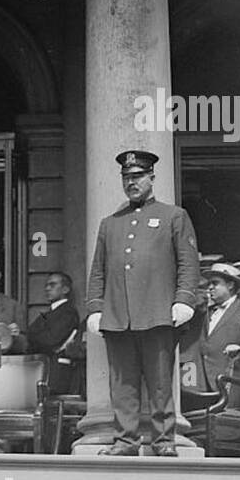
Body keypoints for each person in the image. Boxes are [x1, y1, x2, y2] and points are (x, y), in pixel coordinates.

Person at [84, 150, 199, 456]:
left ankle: (164, 442)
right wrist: (95, 307)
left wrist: (184, 299)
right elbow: (98, 269)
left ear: (152, 177)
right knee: (122, 386)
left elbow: (188, 263)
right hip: (118, 315)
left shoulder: (173, 216)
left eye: (137, 176)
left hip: (158, 313)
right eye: (126, 177)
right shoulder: (110, 224)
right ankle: (125, 442)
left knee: (161, 384)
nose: (131, 183)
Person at [188, 262, 240, 400]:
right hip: (198, 381)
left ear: (230, 285)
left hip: (228, 381)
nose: (210, 287)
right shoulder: (204, 311)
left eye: (215, 283)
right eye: (209, 284)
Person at [26, 271, 82, 396]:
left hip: (56, 373)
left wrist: (33, 337)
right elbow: (31, 334)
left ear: (65, 289)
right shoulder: (50, 313)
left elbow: (51, 340)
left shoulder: (67, 313)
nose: (47, 289)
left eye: (52, 285)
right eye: (46, 285)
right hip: (45, 369)